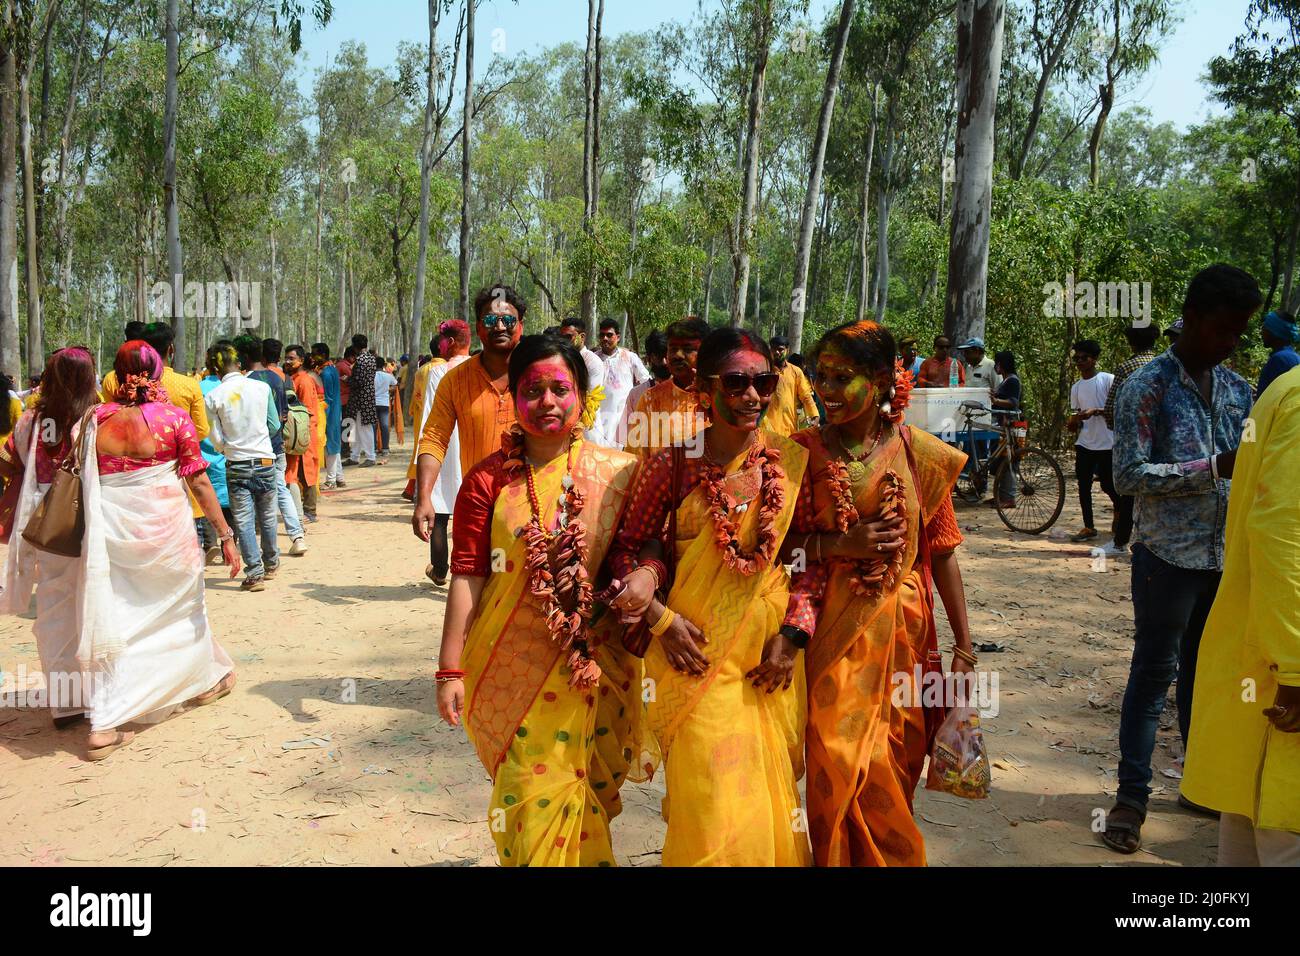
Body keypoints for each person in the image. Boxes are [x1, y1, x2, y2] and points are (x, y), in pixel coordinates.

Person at [435, 335, 644, 866]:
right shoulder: (485, 481)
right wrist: (449, 669)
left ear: (580, 395)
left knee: (590, 791)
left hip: (600, 664)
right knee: (531, 795)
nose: (547, 401)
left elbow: (638, 561)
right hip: (511, 664)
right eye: (532, 390)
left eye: (560, 388)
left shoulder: (619, 472)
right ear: (513, 396)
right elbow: (468, 577)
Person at [607, 328, 812, 866]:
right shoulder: (670, 465)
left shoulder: (789, 466)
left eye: (763, 382)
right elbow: (626, 552)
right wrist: (657, 618)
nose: (753, 395)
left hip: (765, 664)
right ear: (704, 387)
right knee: (710, 800)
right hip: (689, 658)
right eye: (737, 382)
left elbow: (807, 562)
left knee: (759, 801)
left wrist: (793, 635)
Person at [780, 319, 974, 866]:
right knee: (837, 761)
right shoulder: (798, 453)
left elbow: (944, 548)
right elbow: (777, 550)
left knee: (891, 764)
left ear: (885, 380)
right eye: (822, 376)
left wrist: (964, 644)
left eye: (846, 377)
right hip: (829, 640)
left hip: (903, 642)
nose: (829, 390)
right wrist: (841, 544)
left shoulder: (921, 456)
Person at [5, 342, 239, 759]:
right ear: (158, 371)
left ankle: (89, 711)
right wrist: (225, 535)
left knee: (110, 619)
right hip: (168, 540)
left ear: (115, 374)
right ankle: (155, 699)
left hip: (103, 538)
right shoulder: (174, 420)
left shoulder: (91, 422)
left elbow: (71, 475)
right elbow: (200, 483)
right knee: (182, 610)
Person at [1104, 263, 1261, 855]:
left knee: (1208, 679)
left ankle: (1201, 784)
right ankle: (1131, 800)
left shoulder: (1240, 390)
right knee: (1153, 675)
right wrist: (1209, 470)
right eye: (1224, 329)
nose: (1231, 342)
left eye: (1239, 332)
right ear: (1192, 319)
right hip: (1166, 557)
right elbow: (1127, 475)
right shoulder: (1148, 386)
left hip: (1222, 562)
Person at [1181, 363, 1300, 866]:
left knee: (1253, 826)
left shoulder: (1285, 390)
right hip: (1281, 669)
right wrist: (1295, 666)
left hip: (1263, 659)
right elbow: (1283, 537)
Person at [0, 347, 104, 728]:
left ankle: (65, 703)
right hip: (92, 519)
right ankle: (101, 697)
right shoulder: (98, 417)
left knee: (54, 607)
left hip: (47, 525)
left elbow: (9, 461)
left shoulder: (31, 418)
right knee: (95, 601)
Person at [411, 284, 524, 545]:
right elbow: (434, 439)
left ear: (521, 325)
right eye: (490, 320)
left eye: (508, 320)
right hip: (477, 504)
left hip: (533, 506)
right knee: (470, 581)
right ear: (478, 327)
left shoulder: (539, 376)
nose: (499, 327)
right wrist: (424, 496)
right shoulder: (454, 381)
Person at [102, 322, 211, 543]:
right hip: (172, 481)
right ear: (171, 349)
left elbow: (110, 421)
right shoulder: (188, 385)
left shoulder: (111, 382)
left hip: (118, 493)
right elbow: (201, 431)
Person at [205, 342, 283, 592]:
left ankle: (255, 574)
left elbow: (215, 437)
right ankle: (271, 563)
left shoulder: (213, 396)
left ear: (215, 369)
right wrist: (258, 439)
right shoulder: (262, 387)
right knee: (268, 516)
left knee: (244, 521)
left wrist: (227, 448)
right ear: (240, 363)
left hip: (236, 463)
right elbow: (274, 425)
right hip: (265, 460)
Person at [235, 334, 307, 556]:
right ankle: (297, 536)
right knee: (280, 489)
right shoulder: (281, 379)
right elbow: (283, 415)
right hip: (277, 444)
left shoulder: (247, 382)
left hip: (256, 447)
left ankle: (256, 548)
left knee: (254, 499)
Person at [419, 320, 471, 585]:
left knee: (439, 513)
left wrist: (423, 453)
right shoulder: (479, 368)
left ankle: (440, 571)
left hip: (444, 449)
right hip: (473, 446)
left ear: (449, 342)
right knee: (471, 515)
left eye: (441, 339)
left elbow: (430, 416)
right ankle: (469, 575)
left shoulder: (439, 372)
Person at [1102, 322, 1162, 555]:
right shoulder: (1166, 366)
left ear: (1131, 341)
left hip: (1135, 438)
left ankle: (1120, 542)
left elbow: (1111, 407)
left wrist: (1117, 429)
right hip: (1162, 439)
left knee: (1128, 491)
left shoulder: (1127, 368)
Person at [623, 316, 710, 458]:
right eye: (673, 349)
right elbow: (636, 458)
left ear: (705, 353)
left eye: (687, 349)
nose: (677, 355)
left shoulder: (721, 395)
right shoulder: (650, 399)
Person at [1065, 339, 1117, 546]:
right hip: (1085, 442)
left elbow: (1118, 408)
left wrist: (1096, 411)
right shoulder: (1076, 388)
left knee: (1108, 484)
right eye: (1076, 358)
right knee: (1083, 485)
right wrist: (1074, 422)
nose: (1079, 362)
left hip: (1108, 443)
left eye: (1083, 358)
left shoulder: (1107, 380)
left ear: (1094, 359)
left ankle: (1120, 510)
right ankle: (1089, 526)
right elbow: (1075, 418)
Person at [198, 345, 233, 565]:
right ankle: (230, 542)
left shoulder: (198, 386)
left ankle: (210, 543)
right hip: (227, 450)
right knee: (230, 499)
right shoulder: (230, 387)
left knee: (206, 498)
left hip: (203, 450)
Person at [593, 317, 649, 449]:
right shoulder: (593, 359)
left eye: (609, 335)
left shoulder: (629, 357)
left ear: (617, 337)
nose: (605, 338)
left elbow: (646, 381)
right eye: (602, 335)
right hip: (599, 418)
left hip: (624, 418)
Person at [402, 333, 446, 500]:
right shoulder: (446, 369)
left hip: (421, 417)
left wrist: (413, 411)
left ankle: (414, 488)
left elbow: (416, 397)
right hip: (439, 419)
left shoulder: (421, 370)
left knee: (420, 452)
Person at [284, 346, 322, 523]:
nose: (288, 361)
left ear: (300, 360)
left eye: (291, 358)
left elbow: (305, 410)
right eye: (286, 358)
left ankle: (309, 511)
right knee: (294, 471)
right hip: (298, 431)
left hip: (304, 431)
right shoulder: (292, 379)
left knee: (306, 472)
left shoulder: (304, 381)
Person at [762, 333, 820, 437]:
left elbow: (806, 396)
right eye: (773, 349)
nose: (776, 352)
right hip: (765, 428)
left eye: (780, 349)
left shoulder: (795, 372)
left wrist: (814, 415)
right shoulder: (764, 370)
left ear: (787, 350)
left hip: (788, 428)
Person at [617, 329, 668, 445]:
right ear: (649, 359)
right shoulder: (636, 394)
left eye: (667, 355)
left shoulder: (687, 391)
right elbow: (626, 439)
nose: (664, 362)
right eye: (658, 357)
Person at [988, 350, 1021, 509]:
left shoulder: (1012, 380)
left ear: (1001, 365)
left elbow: (1013, 402)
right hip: (1002, 426)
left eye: (997, 363)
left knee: (1009, 460)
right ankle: (1000, 495)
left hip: (1010, 426)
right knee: (1001, 459)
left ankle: (1008, 498)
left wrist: (996, 400)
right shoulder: (1006, 380)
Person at [313, 344, 345, 489]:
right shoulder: (332, 368)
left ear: (323, 355)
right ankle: (339, 477)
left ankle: (331, 480)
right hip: (335, 410)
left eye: (315, 354)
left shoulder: (325, 373)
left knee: (330, 444)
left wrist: (322, 416)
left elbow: (327, 397)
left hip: (329, 412)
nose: (313, 357)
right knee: (335, 443)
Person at [343, 335, 378, 466]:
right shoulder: (371, 358)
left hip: (360, 398)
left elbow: (358, 380)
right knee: (357, 427)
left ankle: (370, 456)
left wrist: (347, 380)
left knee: (364, 427)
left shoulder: (360, 360)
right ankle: (355, 456)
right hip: (368, 396)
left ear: (354, 346)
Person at [1256, 309, 1298, 398]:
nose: (1261, 332)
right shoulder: (1293, 356)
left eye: (1265, 328)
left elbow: (1272, 398)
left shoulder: (1280, 360)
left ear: (1274, 332)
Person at [373, 358, 398, 465]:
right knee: (384, 426)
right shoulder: (388, 376)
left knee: (373, 426)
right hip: (384, 403)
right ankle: (385, 449)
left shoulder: (371, 375)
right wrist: (388, 389)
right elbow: (395, 384)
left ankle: (373, 448)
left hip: (373, 403)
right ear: (383, 365)